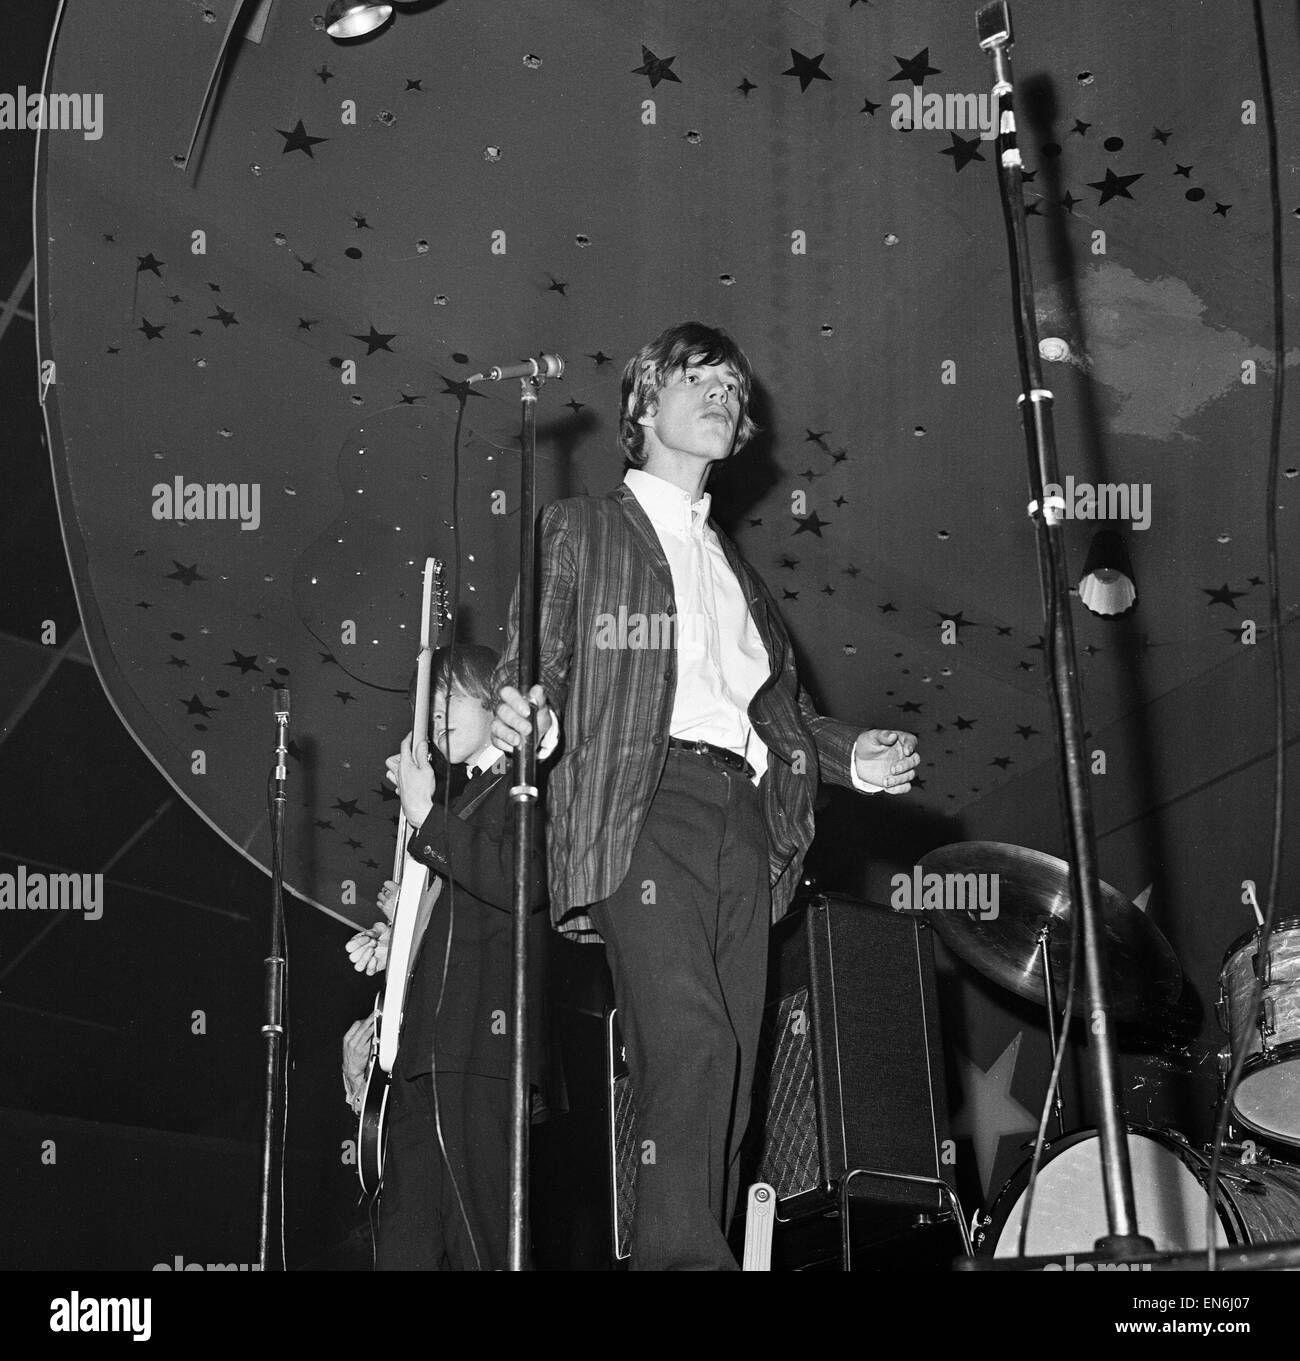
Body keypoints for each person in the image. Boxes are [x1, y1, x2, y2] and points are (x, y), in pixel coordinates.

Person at [492, 321, 919, 1270]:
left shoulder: (740, 576)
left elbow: (783, 712)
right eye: (700, 378)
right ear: (643, 407)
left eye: (735, 384)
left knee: (728, 1068)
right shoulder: (581, 528)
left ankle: (687, 1251)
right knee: (687, 1036)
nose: (726, 393)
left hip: (749, 821)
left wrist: (857, 757)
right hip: (643, 799)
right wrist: (533, 713)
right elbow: (541, 662)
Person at [342, 642, 550, 1270]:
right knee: (403, 1251)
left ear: (497, 700)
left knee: (483, 1245)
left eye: (450, 696)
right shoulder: (461, 805)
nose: (435, 715)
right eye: (429, 705)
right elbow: (462, 912)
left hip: (477, 1053)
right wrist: (399, 943)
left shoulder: (523, 781)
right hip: (419, 1062)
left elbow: (525, 882)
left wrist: (424, 813)